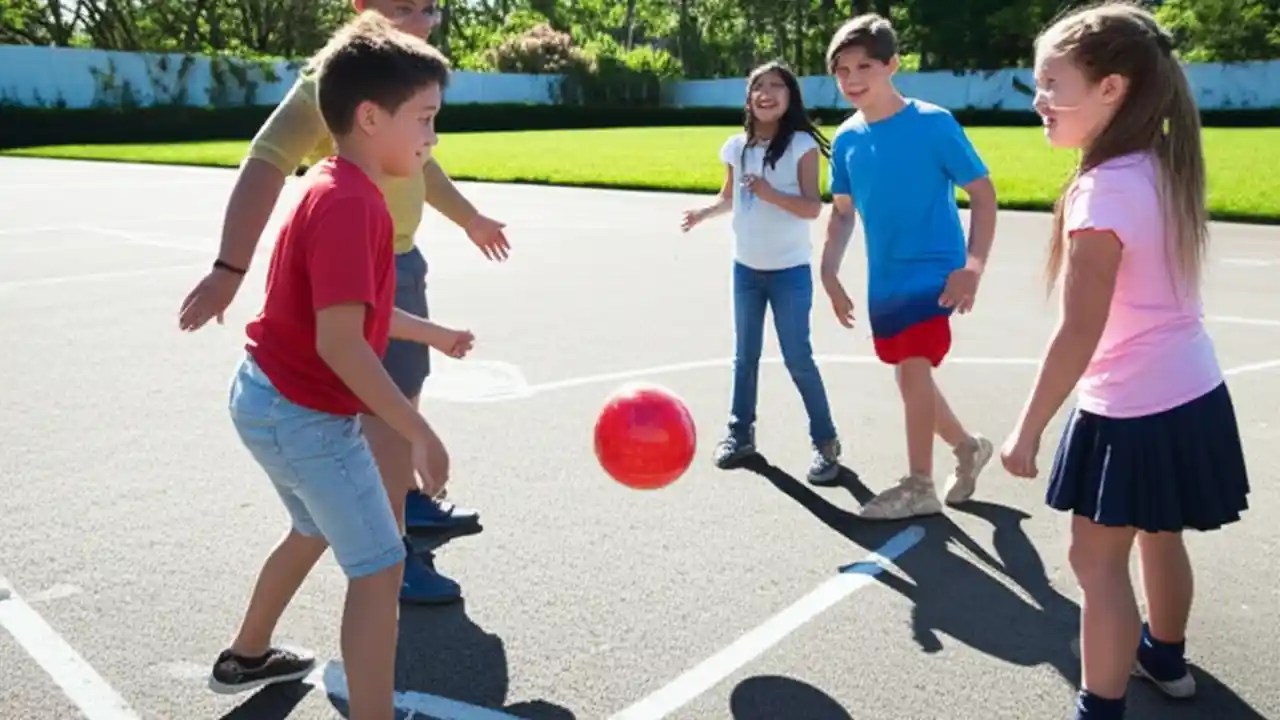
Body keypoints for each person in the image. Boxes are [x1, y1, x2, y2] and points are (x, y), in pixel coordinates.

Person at [177, 0, 504, 604]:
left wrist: (470, 219)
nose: (421, 20)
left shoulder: (397, 85)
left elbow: (421, 165)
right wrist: (229, 267)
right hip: (360, 260)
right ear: (362, 7)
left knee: (401, 398)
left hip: (399, 259)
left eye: (429, 9)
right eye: (403, 7)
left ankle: (405, 501)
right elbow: (265, 163)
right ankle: (394, 556)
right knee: (385, 420)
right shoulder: (336, 80)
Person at [208, 13, 473, 716]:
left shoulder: (332, 183)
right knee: (381, 565)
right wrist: (418, 429)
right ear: (368, 116)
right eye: (423, 119)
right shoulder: (355, 206)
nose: (432, 138)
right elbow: (343, 345)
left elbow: (348, 314)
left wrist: (432, 331)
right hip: (304, 418)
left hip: (262, 396)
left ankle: (248, 655)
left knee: (313, 528)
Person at [1000, 4, 1251, 718]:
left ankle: (1099, 707)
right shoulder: (1160, 164)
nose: (1039, 100)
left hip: (1133, 404)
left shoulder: (1103, 190)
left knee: (1095, 561)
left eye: (1052, 84)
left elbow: (1080, 331)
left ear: (1111, 89)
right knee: (1159, 531)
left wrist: (1027, 428)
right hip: (1191, 388)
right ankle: (1165, 659)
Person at [819, 14, 998, 519]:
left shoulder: (933, 124)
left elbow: (983, 197)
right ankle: (968, 447)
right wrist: (828, 271)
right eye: (842, 70)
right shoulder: (848, 139)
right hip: (886, 279)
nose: (852, 79)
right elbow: (843, 211)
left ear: (892, 64)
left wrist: (973, 266)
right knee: (908, 377)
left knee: (914, 366)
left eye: (864, 66)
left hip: (935, 273)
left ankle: (919, 485)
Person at [681, 60, 843, 484]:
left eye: (776, 86)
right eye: (758, 86)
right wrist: (704, 212)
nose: (766, 93)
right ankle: (740, 434)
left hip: (789, 272)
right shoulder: (737, 147)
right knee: (744, 357)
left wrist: (771, 193)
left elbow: (812, 207)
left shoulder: (802, 145)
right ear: (749, 98)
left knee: (798, 358)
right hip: (746, 271)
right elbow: (728, 197)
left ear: (790, 97)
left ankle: (826, 443)